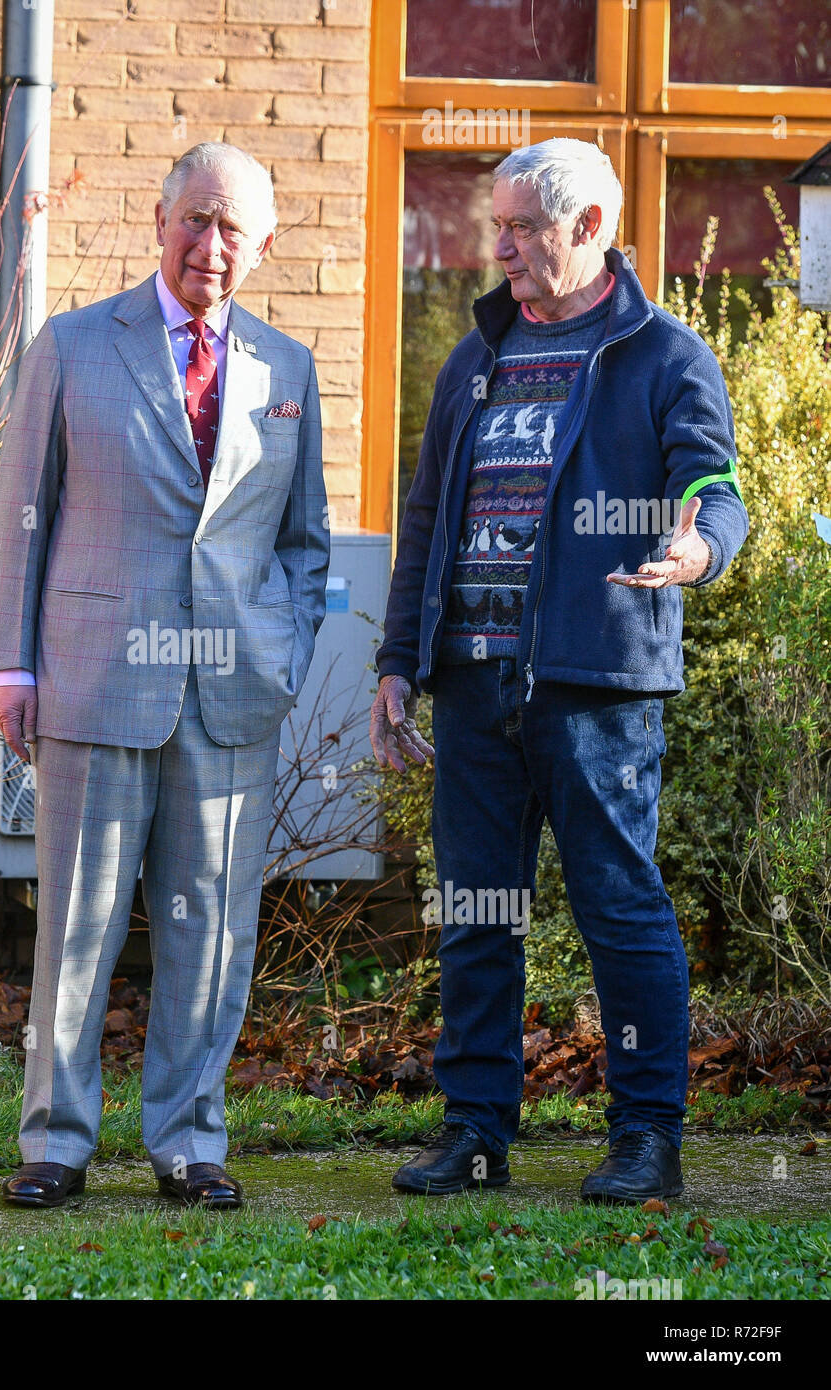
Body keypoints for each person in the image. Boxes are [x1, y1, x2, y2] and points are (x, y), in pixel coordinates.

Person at [371, 138, 748, 1204]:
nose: (501, 247)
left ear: (589, 227)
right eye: (496, 226)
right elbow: (427, 521)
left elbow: (713, 484)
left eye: (523, 227)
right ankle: (476, 1131)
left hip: (595, 686)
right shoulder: (473, 358)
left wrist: (693, 548)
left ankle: (645, 1140)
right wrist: (399, 660)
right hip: (472, 681)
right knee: (479, 911)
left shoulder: (666, 356)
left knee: (618, 910)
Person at [0, 142, 329, 1210]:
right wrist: (9, 664)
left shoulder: (287, 370)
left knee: (211, 928)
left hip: (230, 693)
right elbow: (19, 517)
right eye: (196, 220)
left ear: (264, 246)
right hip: (93, 677)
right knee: (76, 923)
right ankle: (55, 1141)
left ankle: (187, 1140)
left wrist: (281, 644)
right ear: (157, 218)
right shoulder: (75, 346)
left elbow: (304, 540)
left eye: (235, 230)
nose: (211, 246)